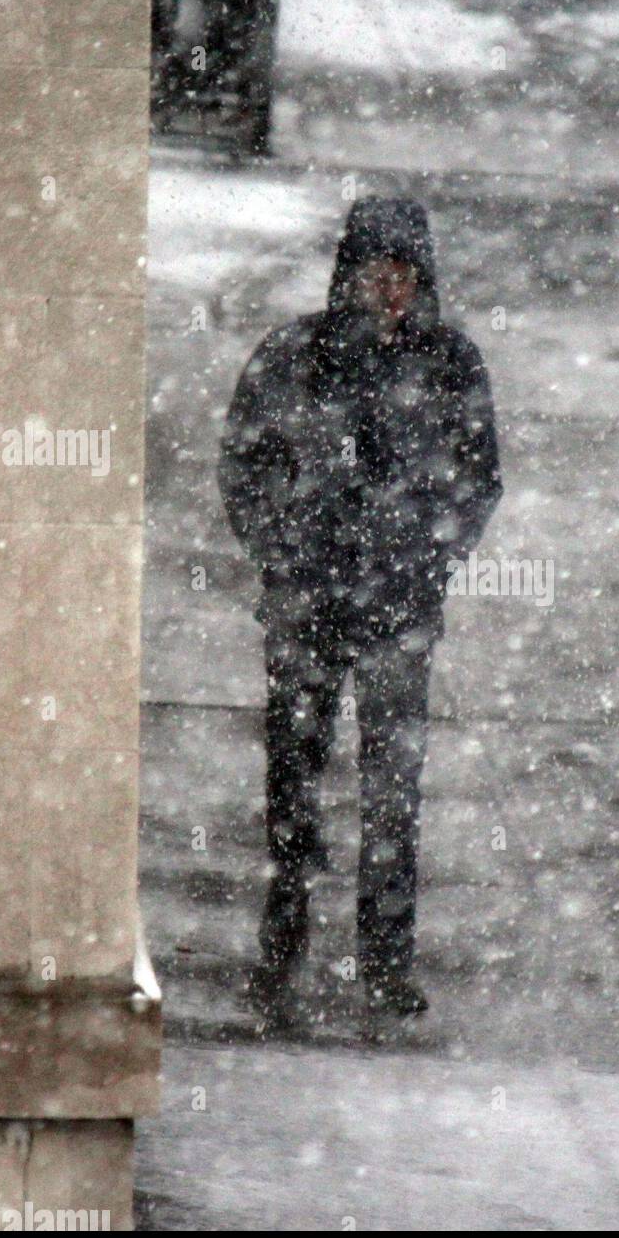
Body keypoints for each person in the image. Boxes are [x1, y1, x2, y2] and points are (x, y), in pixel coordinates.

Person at [218, 198, 502, 1016]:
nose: (391, 289)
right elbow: (242, 465)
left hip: (398, 616)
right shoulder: (294, 356)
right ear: (350, 274)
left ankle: (384, 965)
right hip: (306, 609)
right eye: (378, 272)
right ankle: (282, 953)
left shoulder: (451, 364)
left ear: (424, 279)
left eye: (405, 275)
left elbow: (478, 479)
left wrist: (428, 563)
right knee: (293, 790)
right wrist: (282, 557)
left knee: (392, 797)